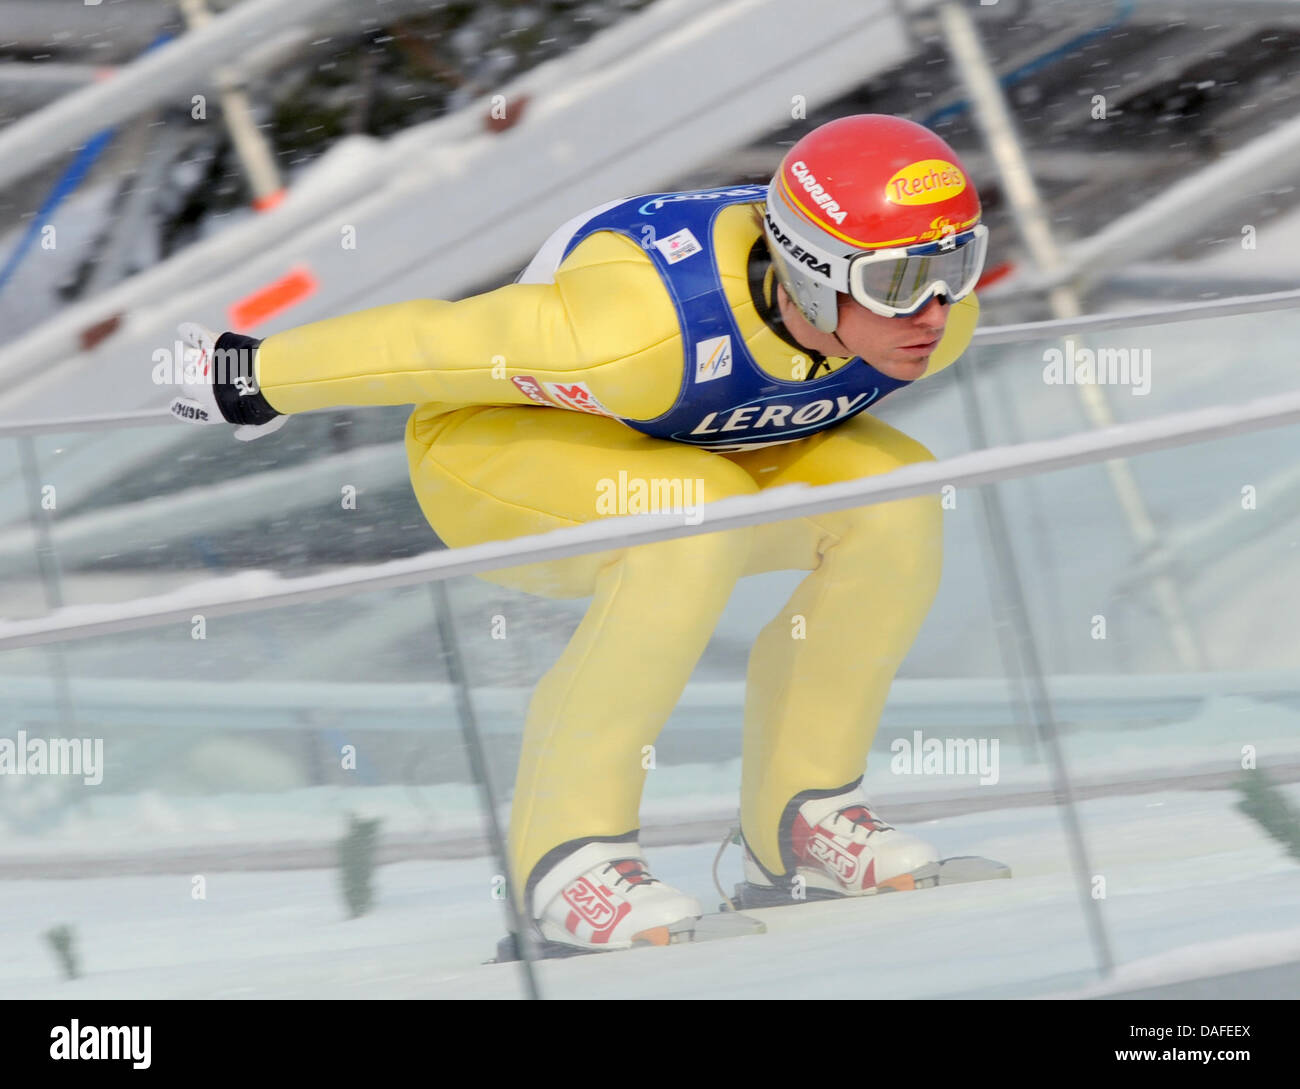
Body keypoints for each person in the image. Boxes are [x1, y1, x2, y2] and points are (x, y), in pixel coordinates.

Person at [168, 114, 988, 953]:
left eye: (957, 267)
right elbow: (439, 342)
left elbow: (889, 328)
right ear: (812, 277)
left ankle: (802, 816)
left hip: (693, 439)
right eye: (898, 282)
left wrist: (903, 289)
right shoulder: (635, 330)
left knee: (899, 495)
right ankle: (569, 859)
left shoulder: (928, 322)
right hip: (491, 452)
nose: (933, 310)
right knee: (692, 515)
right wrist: (248, 375)